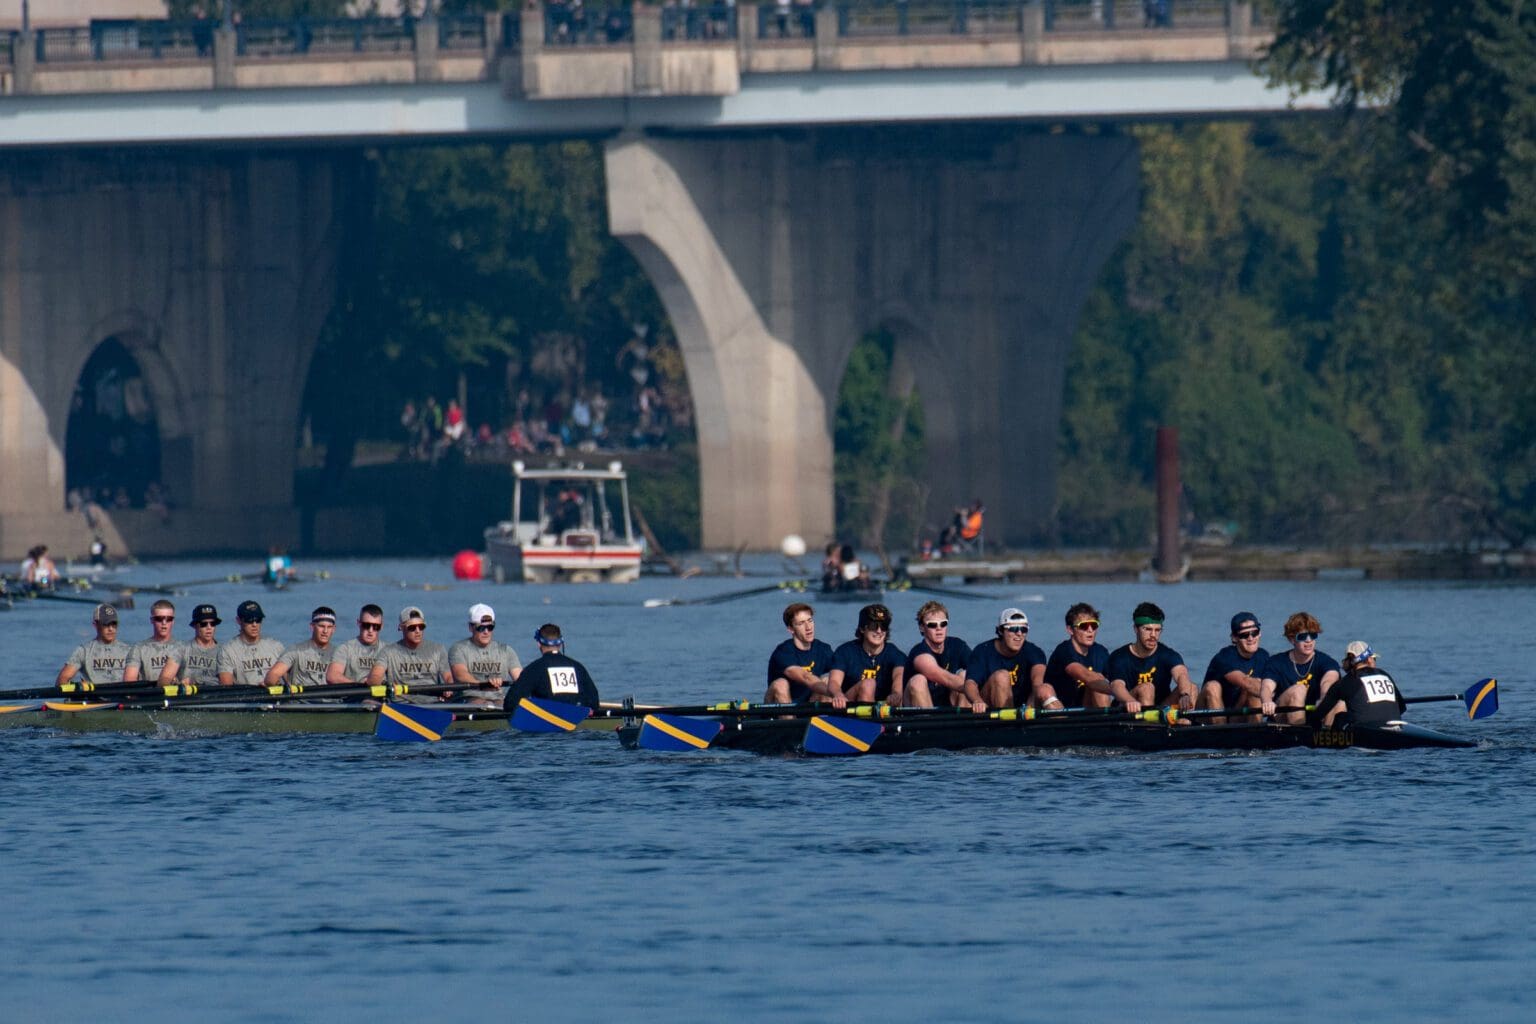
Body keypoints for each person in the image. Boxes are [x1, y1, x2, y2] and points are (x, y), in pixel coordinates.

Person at [1104, 602, 1197, 714]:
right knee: (1147, 688)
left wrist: (1185, 694)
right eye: (1147, 629)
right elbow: (1116, 685)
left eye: (1157, 630)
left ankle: (1184, 725)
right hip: (1128, 709)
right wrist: (1130, 701)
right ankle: (1149, 729)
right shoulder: (1119, 657)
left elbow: (1181, 674)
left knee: (1191, 688)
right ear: (1136, 629)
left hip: (1160, 709)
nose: (1153, 635)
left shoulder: (1167, 654)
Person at [1258, 612, 1342, 724]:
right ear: (1292, 639)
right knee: (1299, 689)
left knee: (1340, 702)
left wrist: (1324, 699)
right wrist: (1267, 701)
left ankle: (1326, 737)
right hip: (1282, 716)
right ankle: (1299, 735)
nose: (1308, 640)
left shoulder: (1327, 662)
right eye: (1302, 637)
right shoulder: (1276, 662)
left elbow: (1329, 681)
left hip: (1316, 714)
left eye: (1313, 635)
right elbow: (1267, 687)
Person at [504, 623, 601, 711]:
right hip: (578, 722)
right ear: (560, 644)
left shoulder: (534, 669)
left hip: (547, 723)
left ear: (538, 644)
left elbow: (510, 703)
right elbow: (594, 702)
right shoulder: (578, 667)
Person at [962, 608, 1046, 710]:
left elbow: (1038, 683)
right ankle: (1008, 724)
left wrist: (1030, 708)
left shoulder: (1035, 652)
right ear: (1001, 631)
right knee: (1001, 676)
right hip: (989, 707)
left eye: (1024, 629)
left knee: (1044, 689)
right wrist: (976, 700)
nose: (1019, 633)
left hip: (1025, 708)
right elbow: (970, 683)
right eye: (1013, 629)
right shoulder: (982, 651)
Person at [1310, 641, 1406, 729]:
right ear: (1369, 659)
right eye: (1374, 658)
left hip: (1365, 732)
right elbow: (1402, 707)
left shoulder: (1345, 681)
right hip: (1396, 727)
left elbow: (1319, 714)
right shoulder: (1384, 675)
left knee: (1340, 717)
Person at [825, 604, 905, 707]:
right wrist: (838, 694)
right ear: (862, 629)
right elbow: (834, 682)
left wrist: (896, 693)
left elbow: (899, 675)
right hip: (849, 705)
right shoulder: (845, 651)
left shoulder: (894, 653)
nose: (879, 631)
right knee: (868, 684)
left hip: (884, 708)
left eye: (883, 626)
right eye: (873, 626)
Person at [366, 605, 451, 697]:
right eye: (412, 627)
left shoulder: (438, 649)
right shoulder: (388, 652)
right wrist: (384, 684)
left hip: (431, 702)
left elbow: (448, 677)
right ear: (401, 628)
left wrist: (449, 687)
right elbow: (374, 677)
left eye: (421, 627)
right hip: (400, 704)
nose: (417, 631)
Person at [449, 603, 523, 708]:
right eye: (481, 628)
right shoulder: (458, 649)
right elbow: (461, 675)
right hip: (468, 698)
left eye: (490, 627)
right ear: (470, 627)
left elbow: (520, 678)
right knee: (483, 704)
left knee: (503, 705)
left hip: (498, 699)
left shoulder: (506, 650)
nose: (486, 632)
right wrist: (484, 685)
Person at [1200, 612, 1270, 721]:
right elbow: (1245, 681)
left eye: (1254, 633)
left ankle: (1255, 732)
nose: (1251, 638)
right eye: (1244, 635)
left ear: (1260, 633)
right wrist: (1269, 696)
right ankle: (1220, 732)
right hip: (1210, 715)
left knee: (1254, 692)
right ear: (1234, 638)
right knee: (1212, 686)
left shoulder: (1264, 656)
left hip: (1236, 714)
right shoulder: (1224, 657)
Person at [902, 601, 972, 708]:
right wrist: (974, 691)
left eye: (943, 623)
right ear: (921, 627)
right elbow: (946, 678)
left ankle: (964, 722)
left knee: (966, 674)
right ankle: (927, 721)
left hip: (949, 705)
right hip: (919, 710)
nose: (939, 628)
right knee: (918, 681)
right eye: (932, 625)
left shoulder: (958, 645)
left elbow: (979, 670)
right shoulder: (919, 654)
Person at [764, 602, 838, 703]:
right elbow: (805, 677)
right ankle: (788, 719)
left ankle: (822, 717)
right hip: (779, 707)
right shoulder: (783, 652)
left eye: (810, 621)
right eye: (801, 623)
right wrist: (836, 694)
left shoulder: (823, 649)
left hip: (810, 704)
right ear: (791, 629)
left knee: (829, 679)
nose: (808, 627)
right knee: (780, 684)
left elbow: (843, 673)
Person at [1041, 602, 1111, 709]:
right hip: (1062, 711)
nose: (1090, 630)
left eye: (1094, 625)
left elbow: (1117, 678)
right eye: (1084, 626)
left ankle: (1106, 723)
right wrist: (1117, 691)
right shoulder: (1063, 651)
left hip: (1087, 708)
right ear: (1070, 630)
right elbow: (1084, 675)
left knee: (1099, 683)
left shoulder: (1101, 652)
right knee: (1097, 680)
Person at [55, 603, 129, 687]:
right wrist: (76, 686)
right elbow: (62, 679)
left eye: (114, 624)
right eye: (106, 624)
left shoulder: (128, 651)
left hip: (121, 697)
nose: (111, 629)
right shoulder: (83, 651)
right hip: (94, 698)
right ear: (96, 625)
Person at [264, 606, 338, 689]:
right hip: (301, 701)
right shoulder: (295, 650)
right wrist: (275, 684)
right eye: (321, 626)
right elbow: (273, 674)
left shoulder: (339, 654)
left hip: (332, 701)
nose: (325, 631)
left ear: (334, 629)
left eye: (329, 627)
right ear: (312, 627)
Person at [217, 600, 286, 686]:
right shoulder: (227, 651)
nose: (254, 624)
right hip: (246, 697)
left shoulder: (276, 646)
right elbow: (226, 688)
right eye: (249, 620)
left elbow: (289, 681)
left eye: (258, 620)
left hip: (274, 695)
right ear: (238, 621)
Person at [159, 604, 222, 687]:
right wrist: (172, 684)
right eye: (204, 624)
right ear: (194, 626)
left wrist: (195, 680)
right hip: (186, 697)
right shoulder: (181, 649)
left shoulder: (223, 652)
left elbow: (227, 683)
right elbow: (163, 679)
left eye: (212, 623)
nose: (209, 627)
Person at [122, 600, 182, 684]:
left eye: (168, 619)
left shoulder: (183, 648)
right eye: (159, 619)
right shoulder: (139, 649)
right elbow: (129, 681)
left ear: (173, 621)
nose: (164, 623)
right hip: (149, 695)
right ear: (152, 620)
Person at [327, 604, 387, 685]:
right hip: (353, 695)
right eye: (366, 625)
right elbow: (332, 676)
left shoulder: (388, 651)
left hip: (380, 695)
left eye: (376, 626)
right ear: (359, 623)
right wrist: (359, 685)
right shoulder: (345, 649)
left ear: (382, 626)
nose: (370, 630)